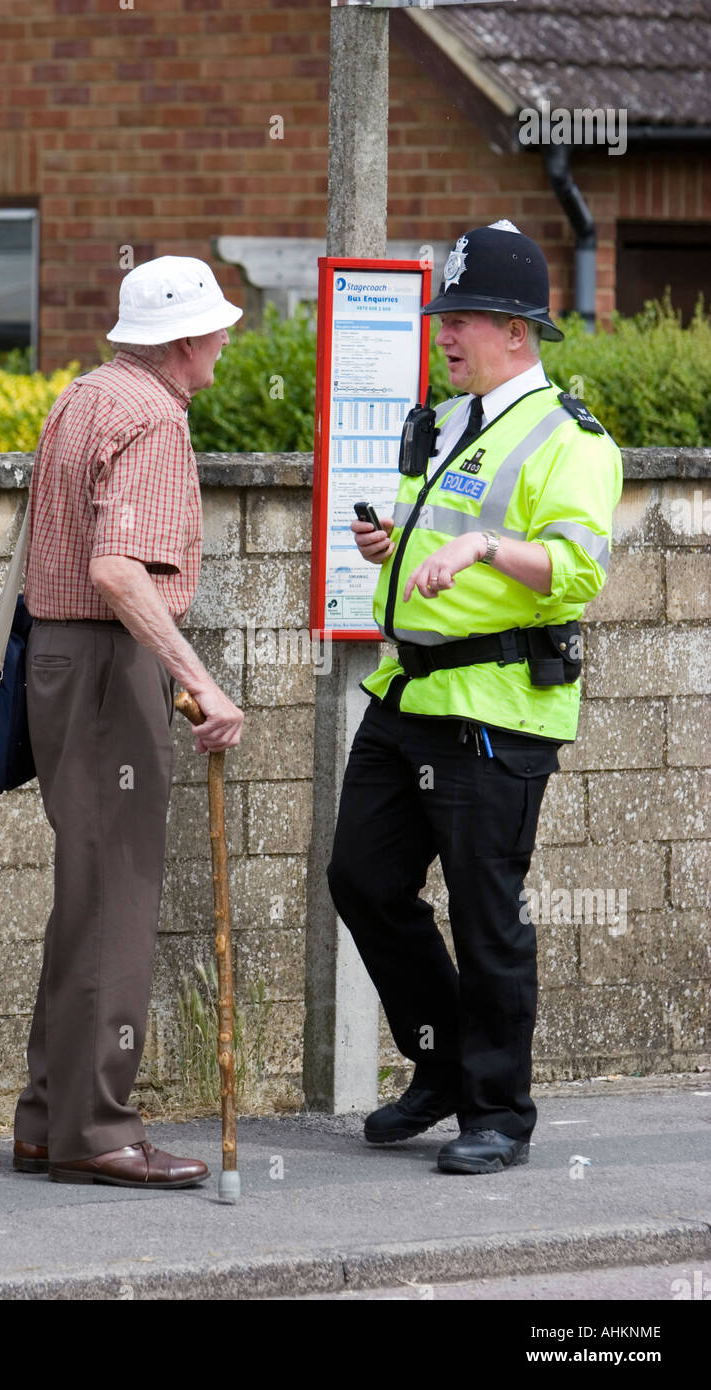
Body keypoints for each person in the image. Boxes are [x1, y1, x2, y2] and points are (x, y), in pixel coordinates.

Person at [327, 221, 623, 1175]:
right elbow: (439, 534)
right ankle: (442, 1063)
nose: (445, 334)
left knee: (486, 909)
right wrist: (399, 551)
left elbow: (577, 572)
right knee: (362, 879)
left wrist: (485, 548)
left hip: (497, 704)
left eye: (464, 319)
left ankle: (497, 1112)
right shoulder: (449, 420)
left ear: (519, 332)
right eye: (441, 317)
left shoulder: (571, 439)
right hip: (407, 689)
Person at [12, 256, 245, 1188]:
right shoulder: (152, 419)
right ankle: (99, 1132)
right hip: (109, 667)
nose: (227, 341)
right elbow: (118, 572)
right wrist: (199, 679)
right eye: (218, 328)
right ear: (184, 340)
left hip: (63, 661)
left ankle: (48, 1122)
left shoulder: (85, 395)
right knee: (117, 902)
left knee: (87, 899)